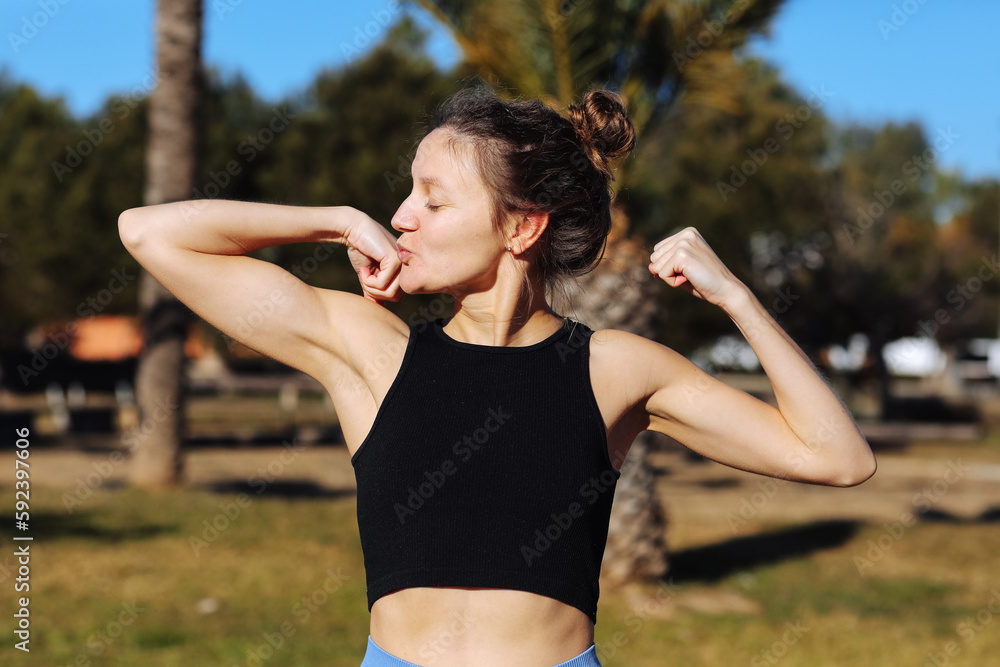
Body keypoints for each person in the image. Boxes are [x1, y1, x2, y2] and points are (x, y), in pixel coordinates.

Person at [118, 86, 877, 667]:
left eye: (433, 198)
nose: (402, 216)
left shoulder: (614, 369)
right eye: (407, 193)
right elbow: (149, 234)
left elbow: (837, 457)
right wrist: (336, 219)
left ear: (520, 226)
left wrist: (735, 297)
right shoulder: (372, 352)